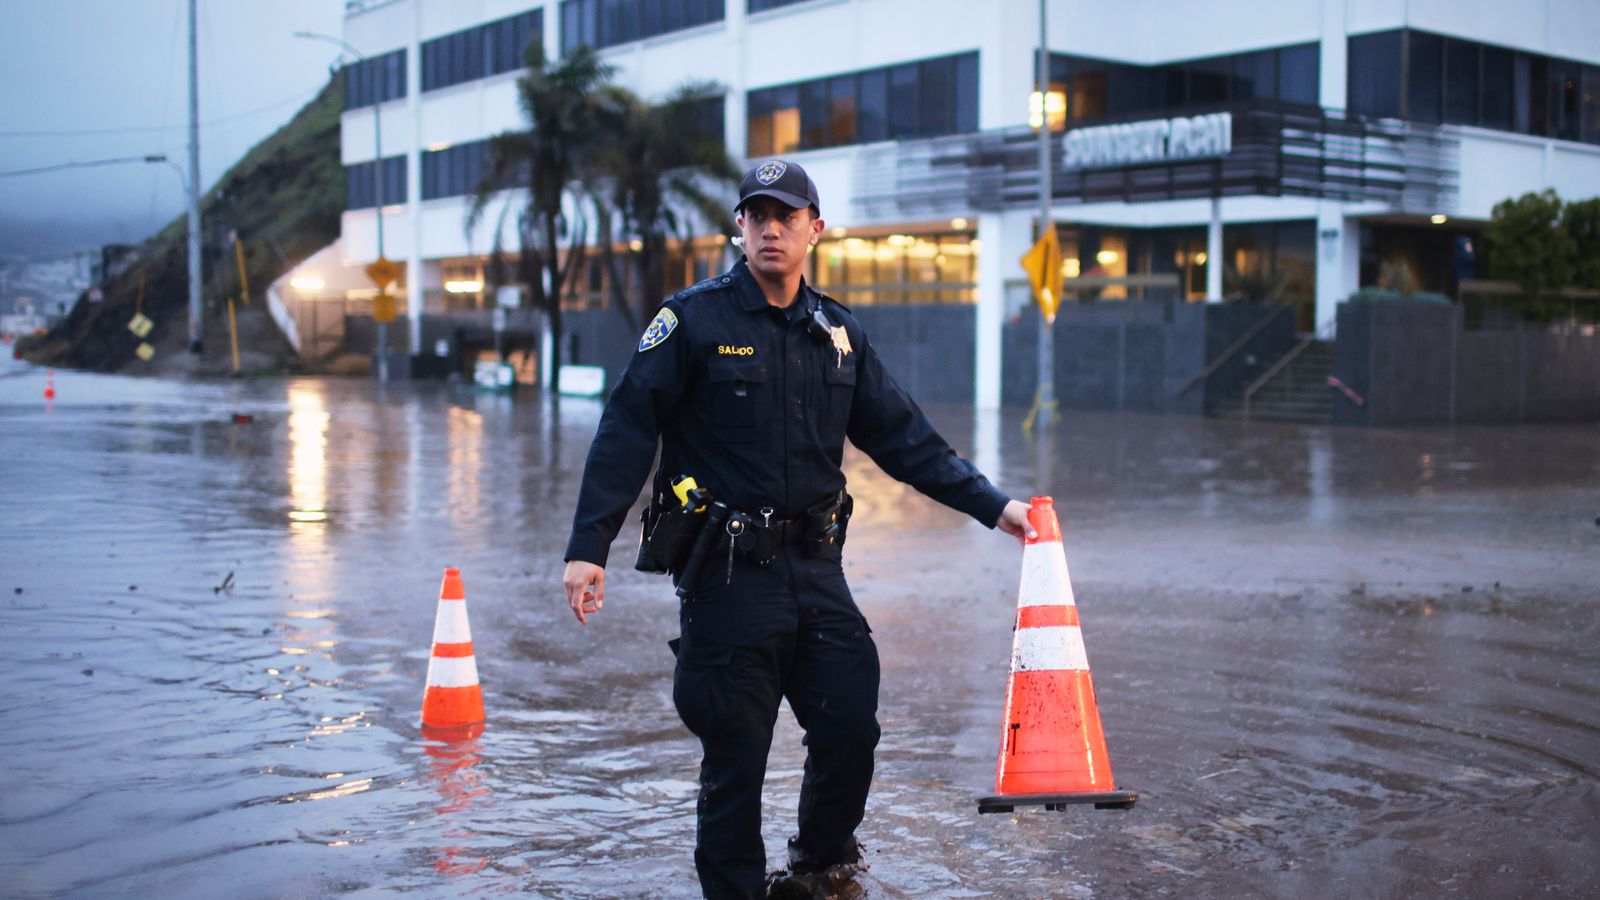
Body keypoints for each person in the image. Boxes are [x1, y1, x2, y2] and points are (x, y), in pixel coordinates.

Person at [562, 159, 1034, 899]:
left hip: (817, 572)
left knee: (851, 724)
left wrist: (994, 505)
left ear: (817, 230)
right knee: (736, 754)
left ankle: (819, 869)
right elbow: (627, 429)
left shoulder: (838, 334)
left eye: (787, 215)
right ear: (739, 229)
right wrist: (589, 548)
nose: (771, 228)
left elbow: (907, 441)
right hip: (726, 579)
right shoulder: (692, 322)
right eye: (757, 215)